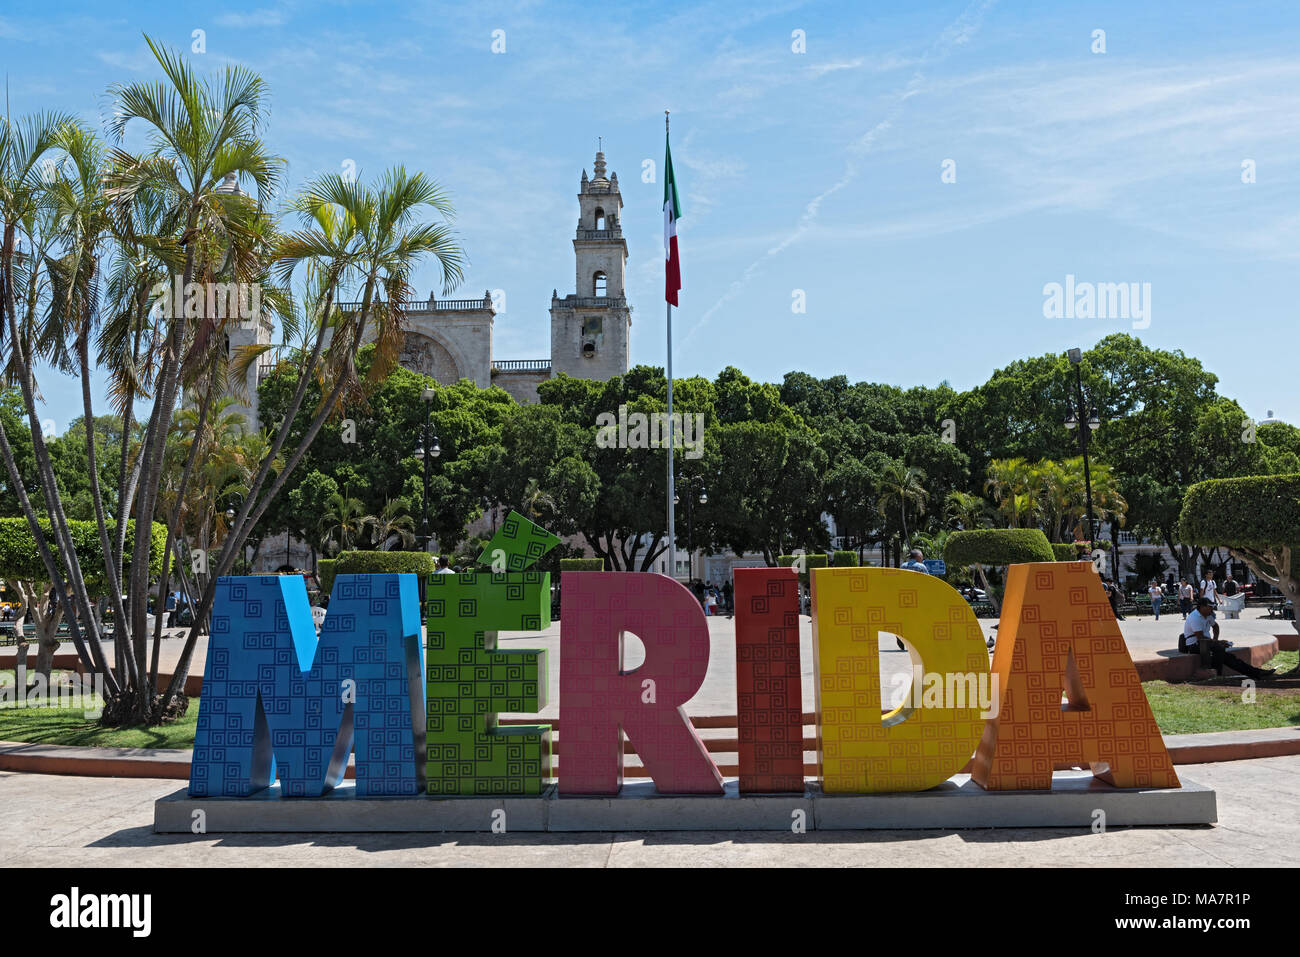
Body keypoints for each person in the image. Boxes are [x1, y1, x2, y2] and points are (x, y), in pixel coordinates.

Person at [1182, 596, 1274, 679]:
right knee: (1221, 651)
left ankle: (1256, 673)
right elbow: (1200, 638)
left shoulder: (1207, 615)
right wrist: (1217, 642)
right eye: (1210, 607)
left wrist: (1215, 639)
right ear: (1202, 607)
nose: (1212, 609)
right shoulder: (1195, 618)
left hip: (1206, 644)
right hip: (1194, 645)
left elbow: (1215, 626)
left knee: (1229, 657)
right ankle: (1255, 673)